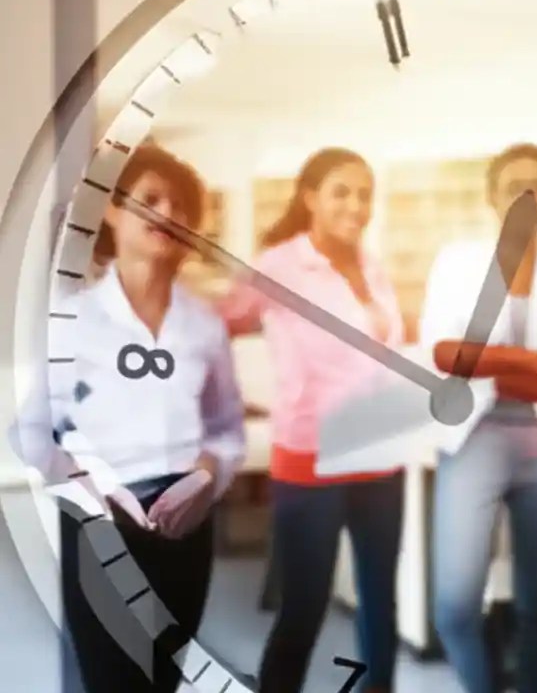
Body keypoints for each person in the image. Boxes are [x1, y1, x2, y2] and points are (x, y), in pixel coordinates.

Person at [10, 144, 246, 692]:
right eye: (151, 199)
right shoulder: (73, 321)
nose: (169, 214)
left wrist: (207, 477)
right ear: (111, 211)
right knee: (109, 678)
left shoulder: (204, 326)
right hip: (101, 525)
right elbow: (30, 432)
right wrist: (90, 490)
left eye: (181, 205)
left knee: (165, 675)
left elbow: (226, 428)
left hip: (185, 522)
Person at [419, 143, 537, 693]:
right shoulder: (457, 262)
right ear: (490, 197)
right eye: (513, 187)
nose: (527, 196)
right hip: (474, 437)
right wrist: (535, 362)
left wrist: (490, 366)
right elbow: (443, 354)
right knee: (454, 605)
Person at [220, 147, 404, 693]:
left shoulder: (373, 266)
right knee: (304, 608)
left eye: (365, 193)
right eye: (341, 191)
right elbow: (220, 323)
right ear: (310, 199)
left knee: (380, 606)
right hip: (310, 460)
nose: (356, 204)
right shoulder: (278, 265)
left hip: (377, 456)